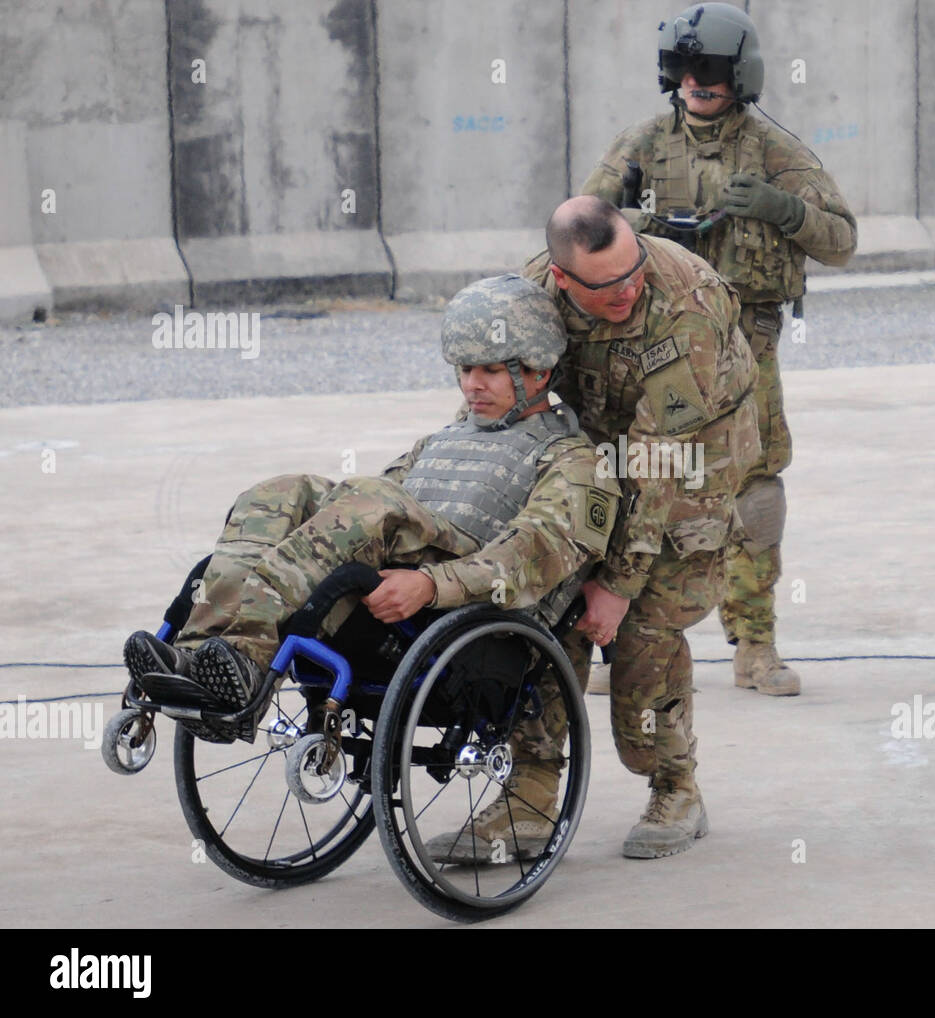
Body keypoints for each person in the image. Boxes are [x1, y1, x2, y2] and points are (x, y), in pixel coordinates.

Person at [123, 275, 621, 743]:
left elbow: (528, 559)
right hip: (385, 589)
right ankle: (196, 655)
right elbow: (359, 506)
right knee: (281, 493)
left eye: (491, 370)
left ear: (539, 372)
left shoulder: (574, 461)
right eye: (466, 370)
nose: (473, 385)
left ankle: (247, 666)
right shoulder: (444, 440)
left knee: (373, 502)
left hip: (462, 618)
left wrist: (430, 585)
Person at [580, 2, 858, 696]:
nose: (696, 82)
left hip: (743, 350)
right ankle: (595, 639)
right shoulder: (644, 143)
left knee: (754, 489)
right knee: (625, 474)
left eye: (710, 69)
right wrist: (634, 223)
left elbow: (843, 240)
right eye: (682, 69)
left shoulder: (774, 152)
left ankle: (755, 645)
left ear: (741, 75)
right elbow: (578, 225)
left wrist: (780, 208)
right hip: (658, 347)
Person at [522, 195, 760, 859]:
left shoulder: (688, 304)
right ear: (563, 278)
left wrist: (620, 585)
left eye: (634, 272)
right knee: (545, 608)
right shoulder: (533, 293)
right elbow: (508, 398)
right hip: (599, 447)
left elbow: (659, 459)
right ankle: (532, 789)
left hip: (692, 460)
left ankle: (675, 786)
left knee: (646, 629)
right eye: (607, 285)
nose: (628, 290)